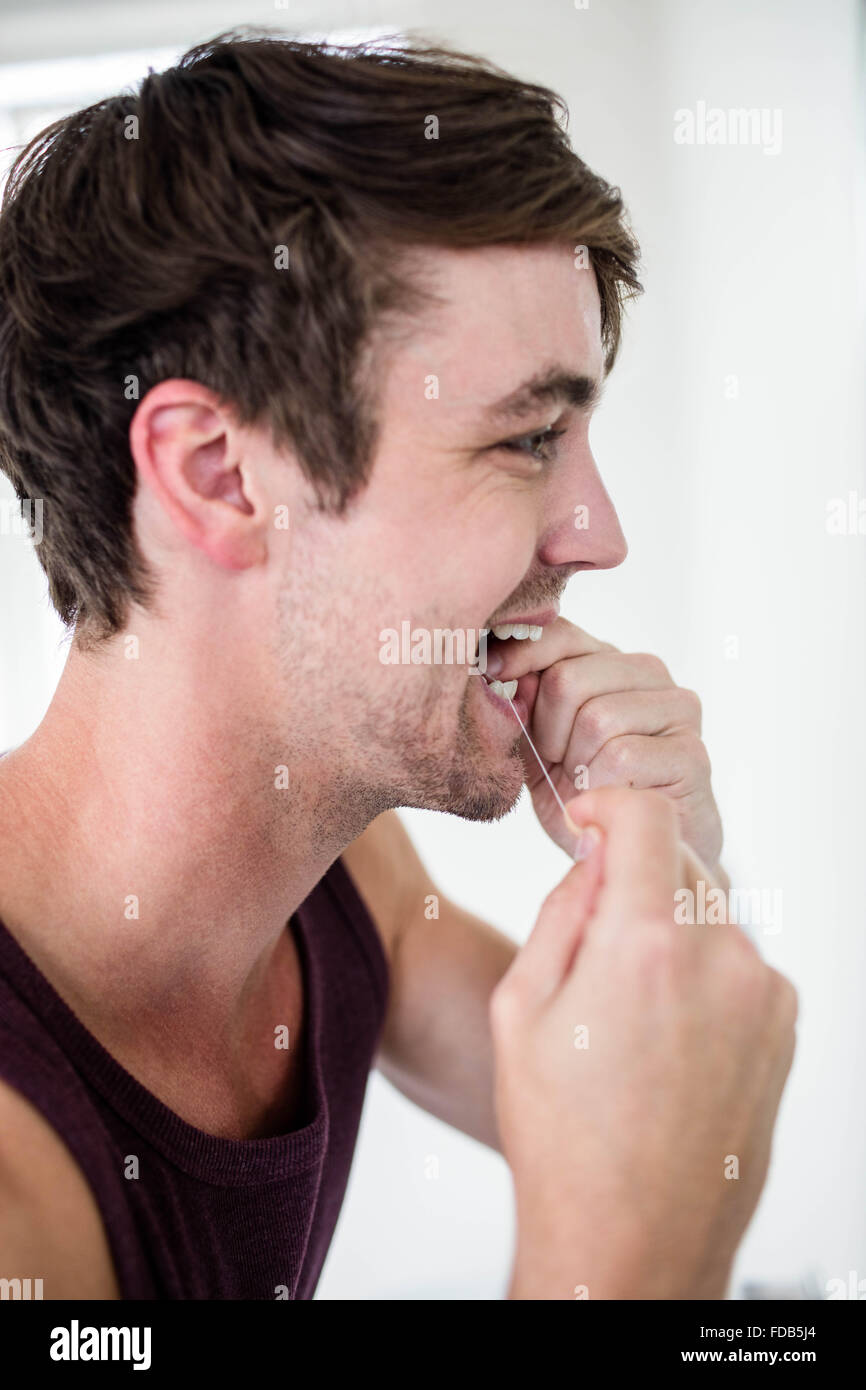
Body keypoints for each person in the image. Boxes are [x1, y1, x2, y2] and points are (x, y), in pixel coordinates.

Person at [0, 31, 796, 1300]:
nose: (597, 534)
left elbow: (642, 1115)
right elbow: (631, 1216)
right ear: (217, 473)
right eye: (527, 438)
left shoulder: (336, 875)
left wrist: (678, 871)